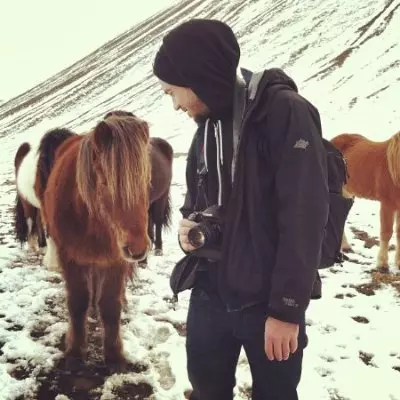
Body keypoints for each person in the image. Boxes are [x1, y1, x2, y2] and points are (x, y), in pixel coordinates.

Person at [153, 19, 329, 400]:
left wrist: (286, 311)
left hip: (268, 301)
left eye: (173, 92)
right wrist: (189, 229)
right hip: (210, 292)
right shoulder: (206, 126)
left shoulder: (285, 112)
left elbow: (305, 217)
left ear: (197, 76)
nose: (175, 105)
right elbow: (196, 201)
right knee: (206, 390)